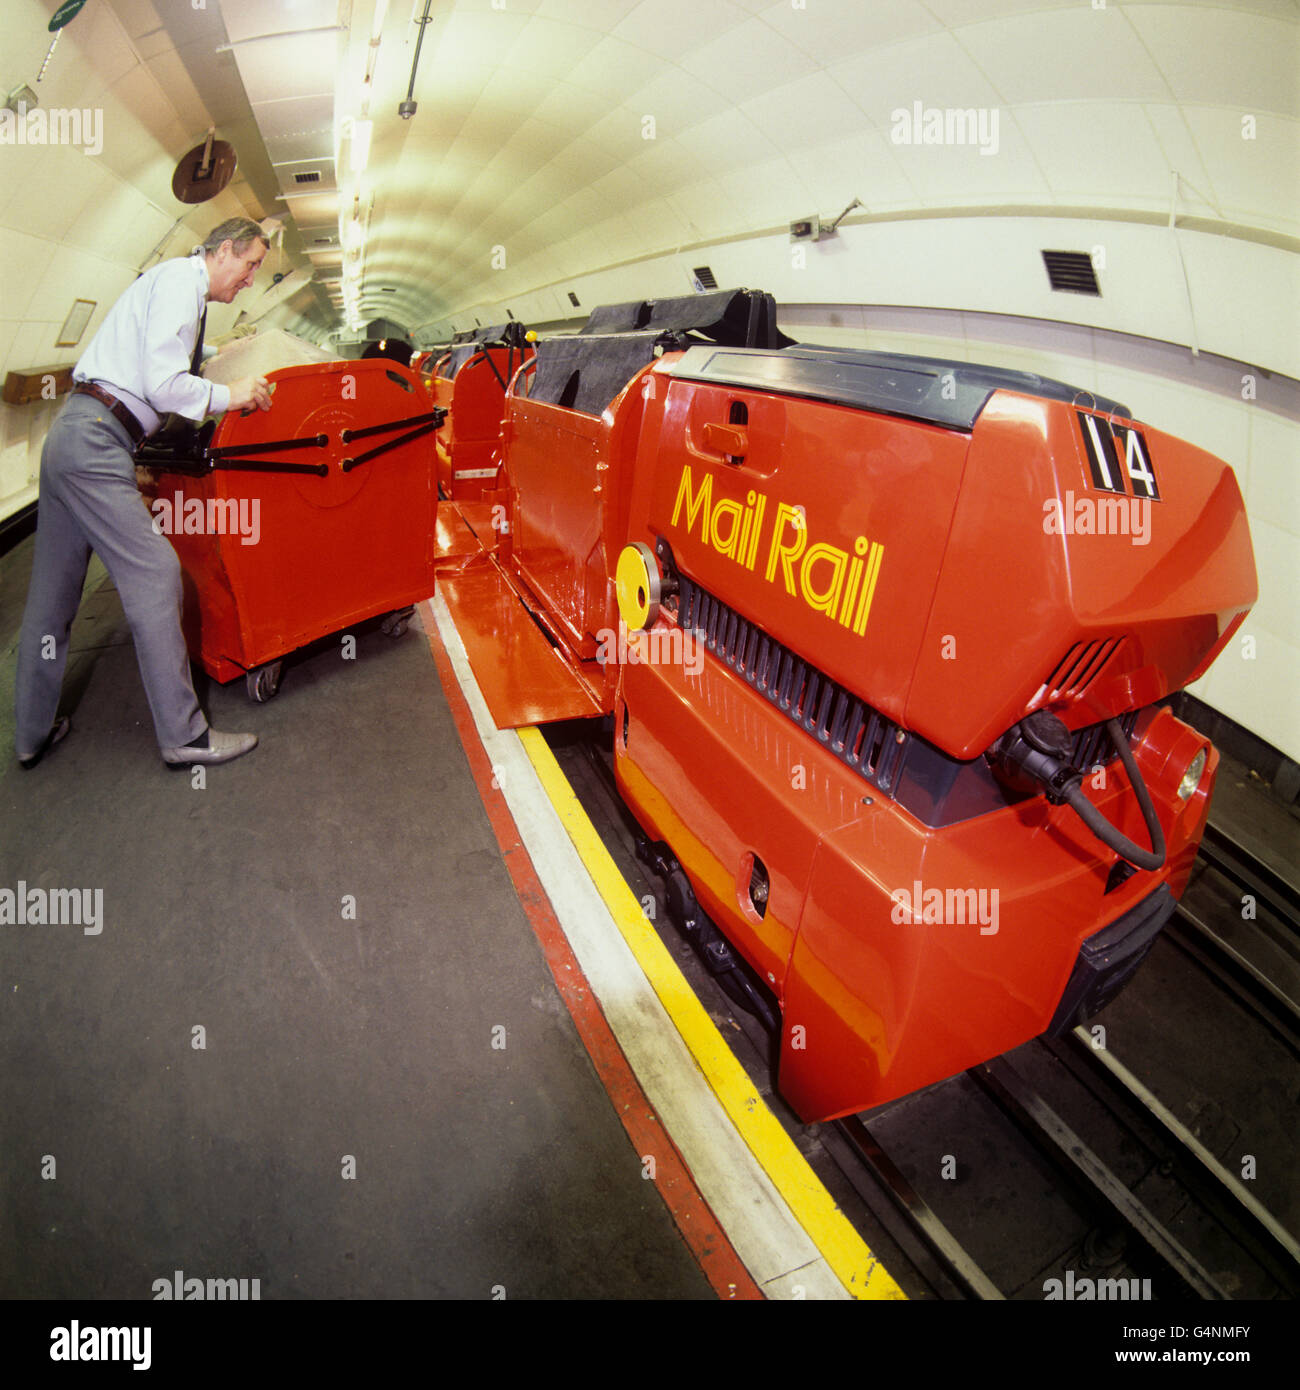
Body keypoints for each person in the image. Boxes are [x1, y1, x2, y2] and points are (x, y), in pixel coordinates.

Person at [14, 216, 274, 770]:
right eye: (251, 264)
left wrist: (216, 357)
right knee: (156, 571)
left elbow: (148, 373)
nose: (251, 279)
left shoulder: (172, 286)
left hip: (72, 436)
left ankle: (30, 733)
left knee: (52, 597)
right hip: (95, 442)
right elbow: (161, 384)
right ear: (224, 250)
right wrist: (232, 392)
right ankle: (185, 737)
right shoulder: (183, 283)